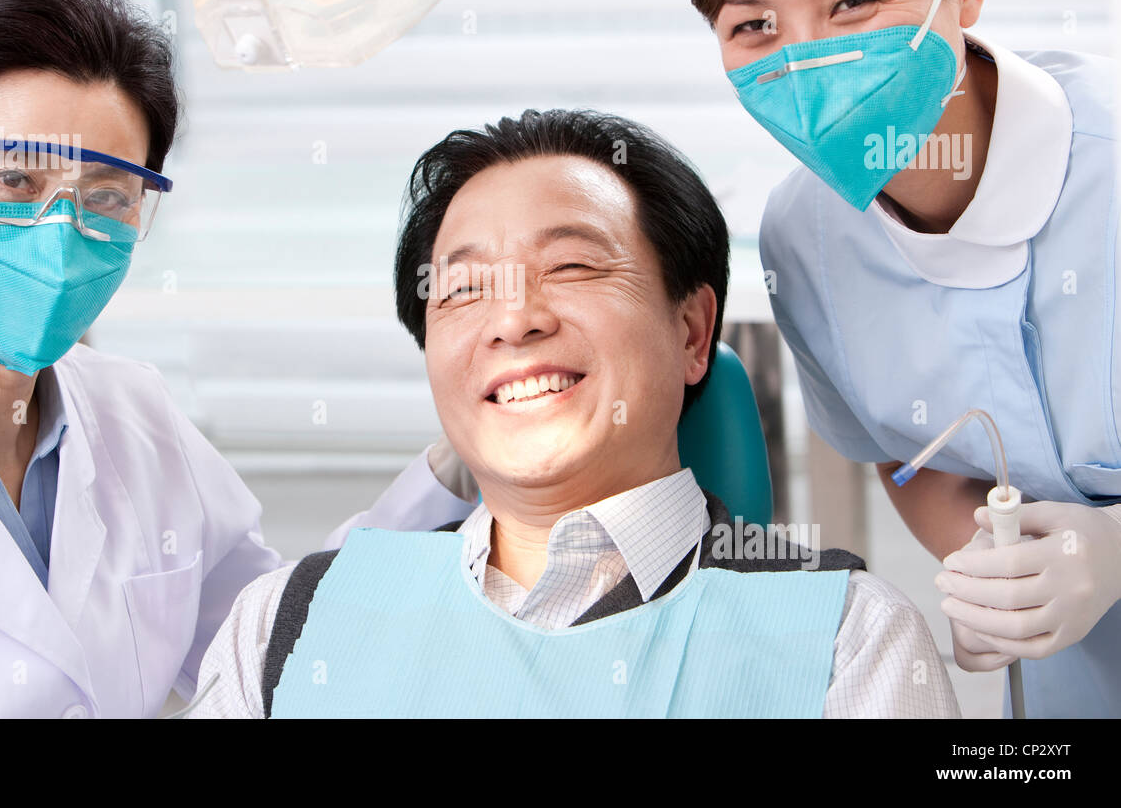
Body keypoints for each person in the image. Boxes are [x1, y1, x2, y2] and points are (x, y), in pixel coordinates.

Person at [0, 0, 472, 719]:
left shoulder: (132, 412)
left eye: (103, 197)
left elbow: (277, 648)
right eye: (12, 179)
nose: (58, 232)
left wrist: (454, 470)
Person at [189, 108, 960, 718]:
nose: (513, 319)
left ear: (691, 332)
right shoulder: (288, 622)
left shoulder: (850, 641)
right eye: (462, 290)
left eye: (572, 266)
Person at [646, 0, 1121, 716]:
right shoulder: (806, 242)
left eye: (854, 3)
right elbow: (914, 457)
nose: (810, 61)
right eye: (754, 26)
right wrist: (987, 569)